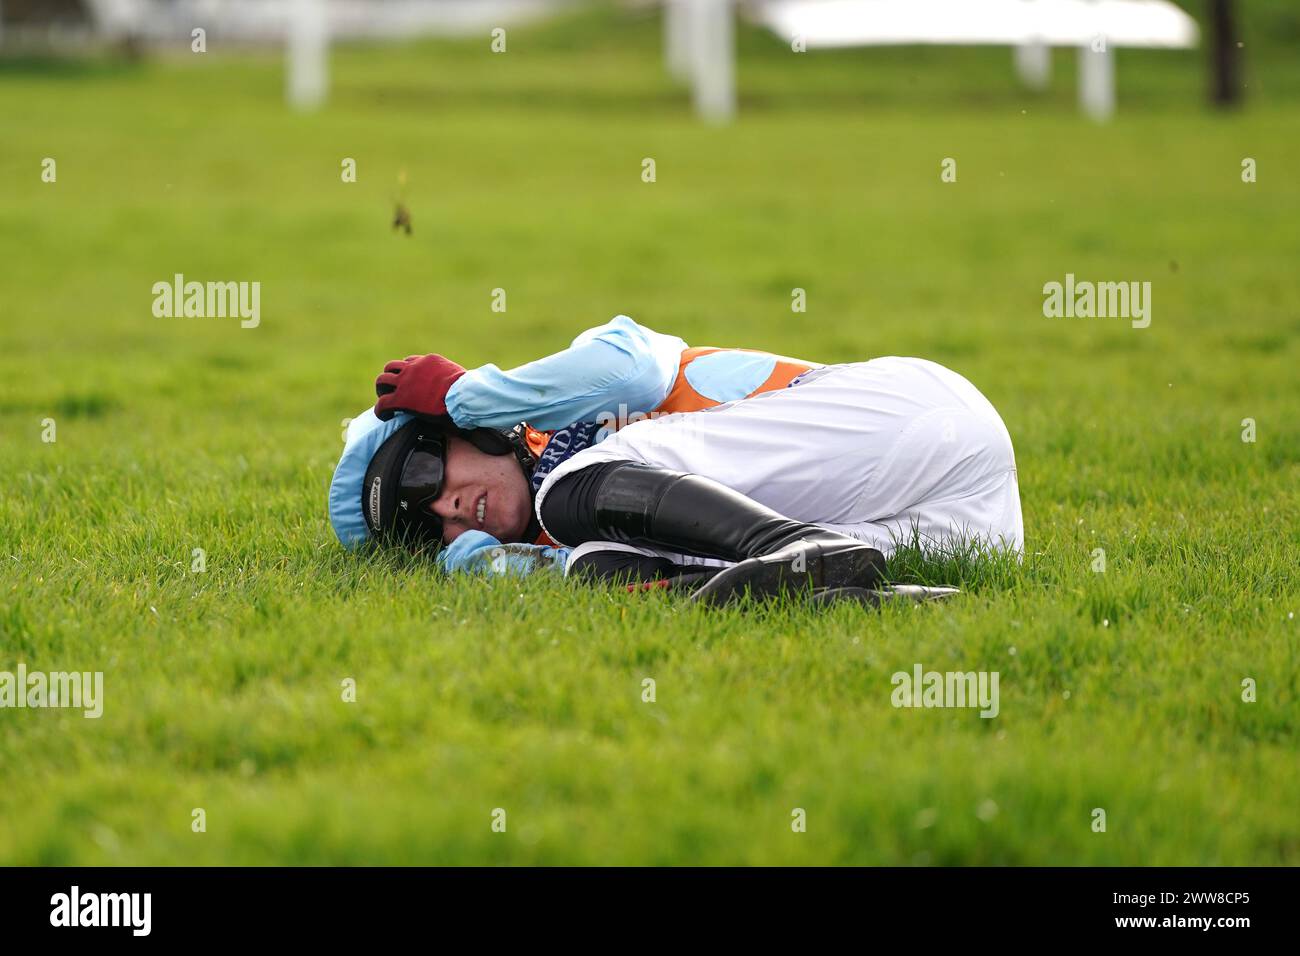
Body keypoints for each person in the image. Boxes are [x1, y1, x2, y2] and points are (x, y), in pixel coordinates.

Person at [328, 316, 1021, 604]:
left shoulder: (571, 409)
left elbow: (628, 366)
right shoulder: (565, 533)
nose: (445, 507)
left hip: (918, 417)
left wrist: (469, 393)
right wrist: (472, 561)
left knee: (564, 496)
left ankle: (793, 548)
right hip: (974, 532)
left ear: (464, 431)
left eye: (425, 473)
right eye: (424, 528)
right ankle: (861, 594)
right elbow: (557, 563)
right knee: (588, 561)